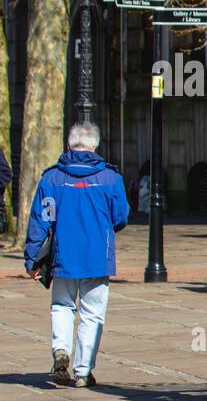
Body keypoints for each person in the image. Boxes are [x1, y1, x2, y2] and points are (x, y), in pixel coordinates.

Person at [23, 123, 129, 387]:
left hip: (63, 256)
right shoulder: (110, 177)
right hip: (96, 256)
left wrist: (32, 258)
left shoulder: (52, 178)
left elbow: (41, 221)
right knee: (93, 314)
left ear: (69, 145)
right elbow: (121, 216)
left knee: (62, 306)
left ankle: (61, 350)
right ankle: (83, 370)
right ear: (94, 146)